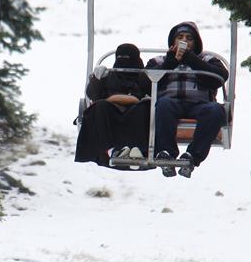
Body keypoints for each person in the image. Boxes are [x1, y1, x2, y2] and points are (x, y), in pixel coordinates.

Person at [145, 21, 228, 178]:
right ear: (173, 41)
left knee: (216, 110)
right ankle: (166, 153)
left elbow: (220, 77)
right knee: (163, 104)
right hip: (171, 104)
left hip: (200, 105)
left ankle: (192, 156)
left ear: (195, 43)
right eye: (180, 37)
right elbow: (145, 82)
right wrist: (172, 61)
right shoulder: (159, 61)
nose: (184, 41)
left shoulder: (207, 60)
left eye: (189, 38)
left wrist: (192, 60)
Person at [74, 43, 152, 168]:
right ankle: (111, 150)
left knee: (145, 106)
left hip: (134, 114)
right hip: (111, 114)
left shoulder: (142, 77)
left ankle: (139, 151)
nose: (124, 62)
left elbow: (152, 93)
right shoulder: (108, 76)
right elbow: (93, 94)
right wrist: (96, 79)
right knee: (99, 106)